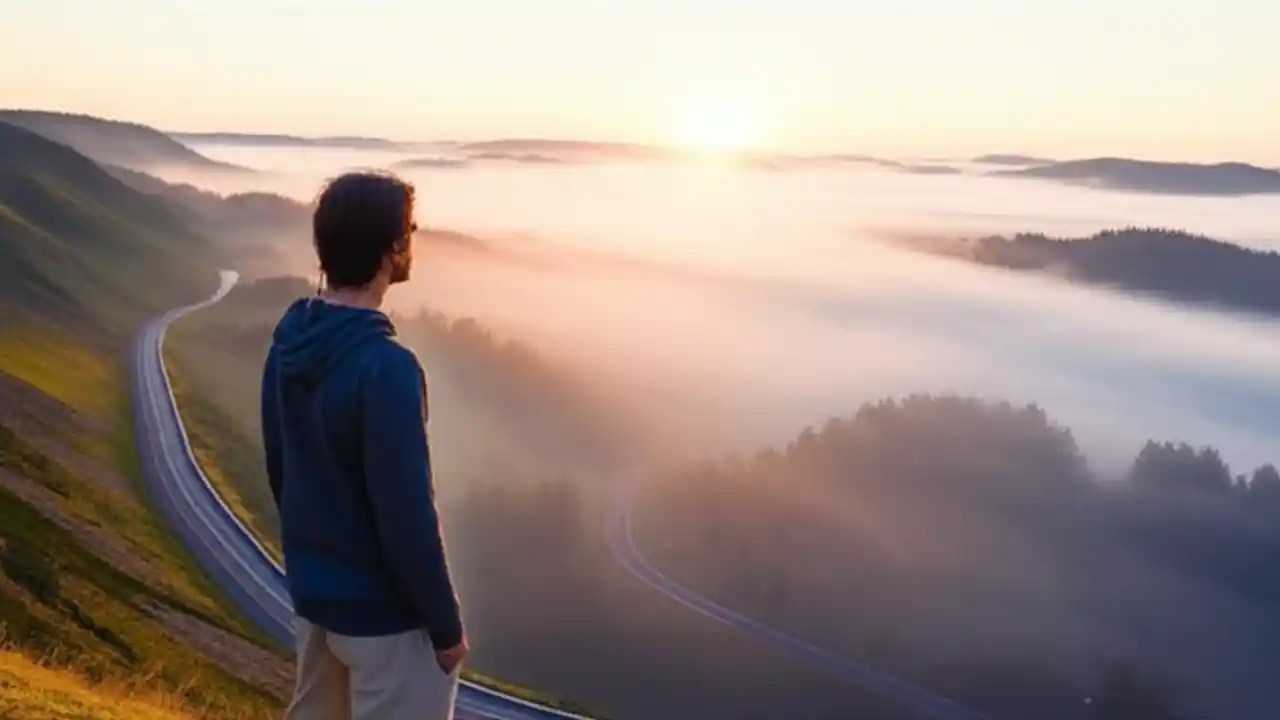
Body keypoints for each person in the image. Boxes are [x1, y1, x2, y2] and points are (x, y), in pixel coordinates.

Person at [261, 172, 467, 720]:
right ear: (390, 249)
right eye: (409, 229)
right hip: (388, 622)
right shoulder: (387, 367)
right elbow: (407, 515)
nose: (414, 238)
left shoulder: (288, 343)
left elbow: (282, 472)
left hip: (316, 602)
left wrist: (316, 570)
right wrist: (446, 630)